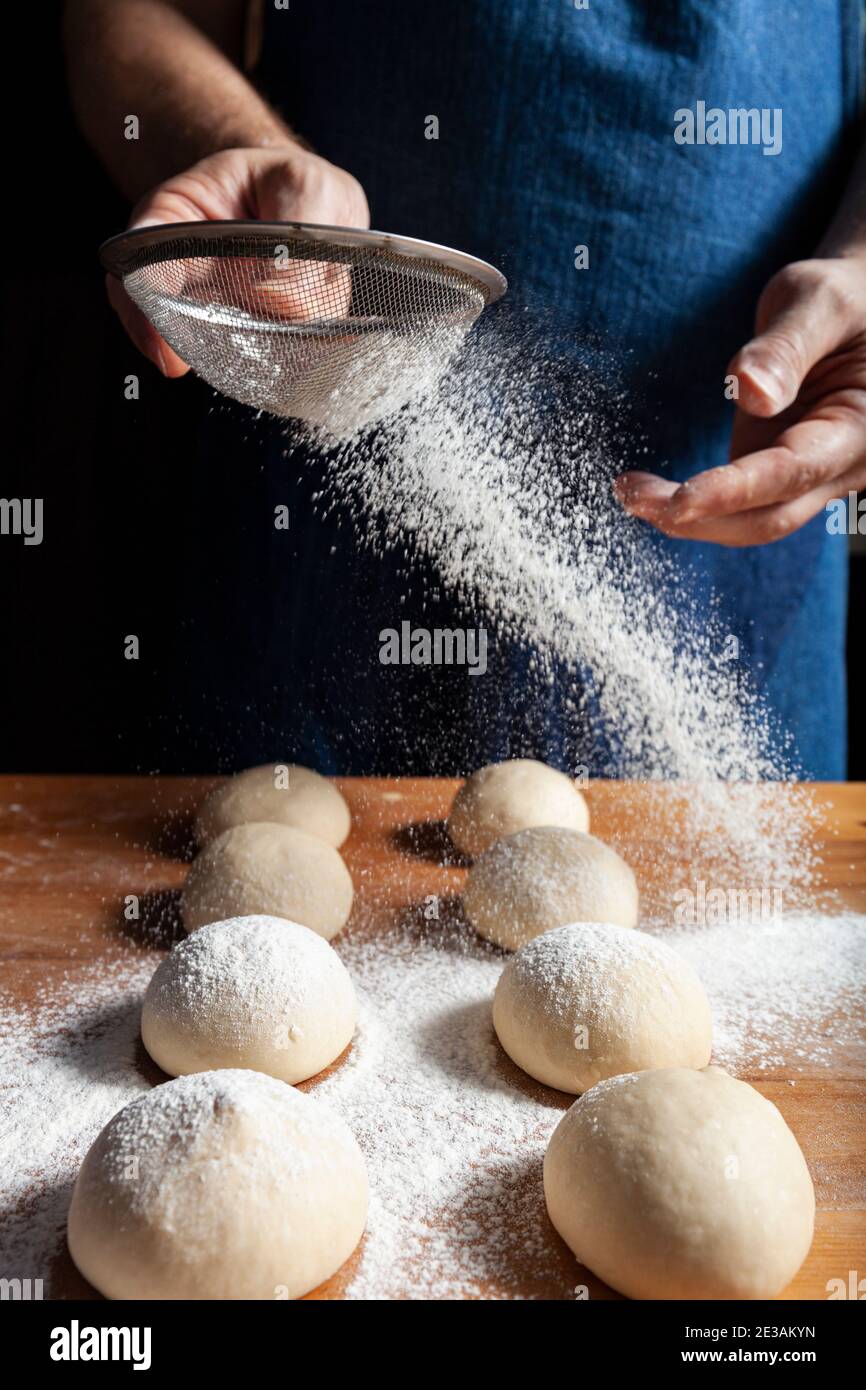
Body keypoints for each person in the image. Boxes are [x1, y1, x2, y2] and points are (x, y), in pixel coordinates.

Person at [64, 0, 866, 778]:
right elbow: (132, 12)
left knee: (731, 899)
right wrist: (252, 165)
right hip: (312, 476)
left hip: (737, 498)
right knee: (262, 894)